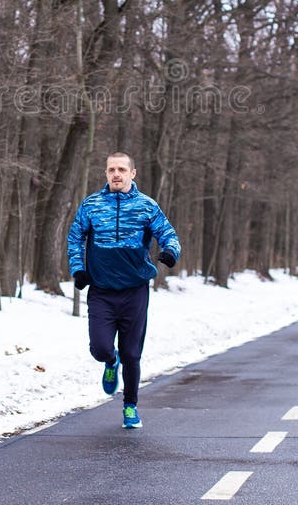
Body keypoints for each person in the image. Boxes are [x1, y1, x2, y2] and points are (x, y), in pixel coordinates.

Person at [67, 152, 181, 429]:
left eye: (121, 169)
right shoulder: (91, 205)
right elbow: (75, 238)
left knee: (132, 354)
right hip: (102, 290)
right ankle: (110, 361)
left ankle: (130, 407)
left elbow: (168, 234)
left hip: (134, 290)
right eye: (111, 170)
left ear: (133, 173)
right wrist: (78, 269)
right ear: (106, 174)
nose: (116, 174)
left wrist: (170, 252)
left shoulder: (146, 206)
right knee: (101, 348)